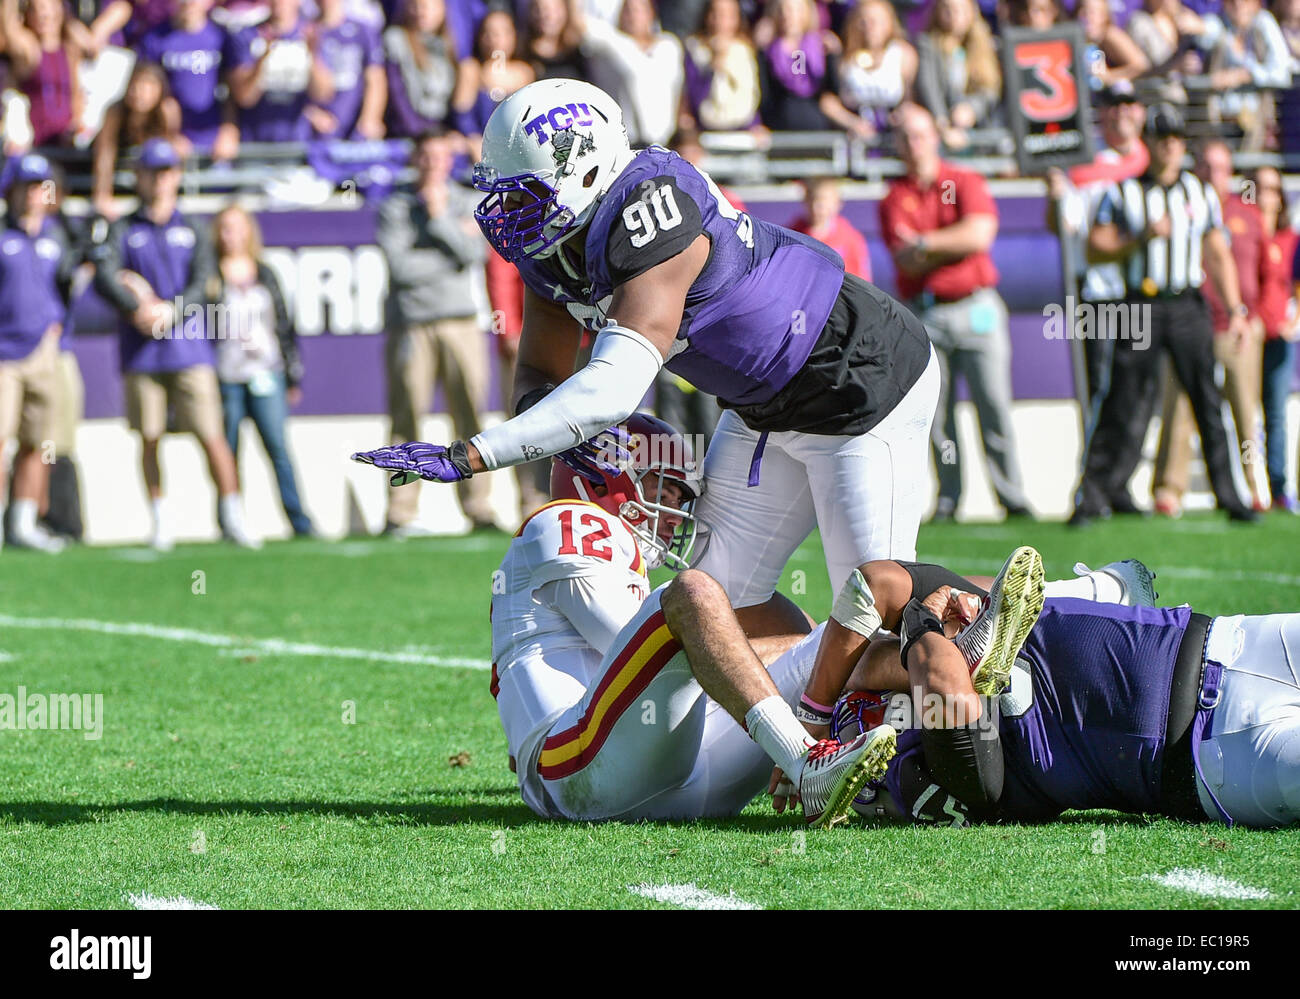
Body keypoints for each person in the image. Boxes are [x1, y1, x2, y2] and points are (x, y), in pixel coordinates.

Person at [354, 77, 939, 636]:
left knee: (874, 602)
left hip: (855, 375)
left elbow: (611, 389)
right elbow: (540, 369)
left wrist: (471, 455)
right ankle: (802, 722)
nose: (507, 214)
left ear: (583, 168)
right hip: (759, 404)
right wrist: (555, 425)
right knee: (711, 603)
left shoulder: (651, 204)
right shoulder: (555, 240)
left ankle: (1014, 629)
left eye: (523, 194)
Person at [489, 413, 899, 826]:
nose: (672, 513)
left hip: (666, 778)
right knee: (693, 592)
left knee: (838, 641)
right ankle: (806, 762)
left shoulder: (606, 557)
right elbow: (647, 643)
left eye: (677, 498)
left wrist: (805, 648)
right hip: (579, 774)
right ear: (600, 483)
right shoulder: (568, 519)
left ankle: (942, 712)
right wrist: (772, 649)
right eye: (661, 490)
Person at [828, 577, 1300, 829]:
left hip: (1233, 637)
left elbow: (880, 581)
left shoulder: (962, 645)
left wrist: (961, 604)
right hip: (1217, 753)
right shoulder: (919, 772)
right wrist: (922, 624)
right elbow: (945, 691)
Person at [1070, 105, 1258, 526]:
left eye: (1176, 138)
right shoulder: (1122, 192)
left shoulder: (1201, 192)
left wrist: (1234, 309)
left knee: (1207, 399)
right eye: (1162, 138)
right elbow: (1094, 247)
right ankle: (1091, 495)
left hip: (1189, 305)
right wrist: (1141, 237)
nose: (1170, 145)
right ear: (1150, 144)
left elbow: (1217, 252)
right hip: (1141, 303)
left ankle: (1230, 497)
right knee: (1122, 398)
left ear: (1183, 144)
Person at [91, 139, 256, 550]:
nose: (161, 180)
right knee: (149, 436)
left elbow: (202, 283)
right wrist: (138, 309)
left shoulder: (193, 229)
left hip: (189, 349)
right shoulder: (124, 229)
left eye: (167, 172)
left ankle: (232, 514)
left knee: (211, 434)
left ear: (176, 177)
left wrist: (172, 311)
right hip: (142, 352)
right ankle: (161, 519)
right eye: (153, 172)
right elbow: (106, 276)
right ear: (140, 177)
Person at [880, 102, 1030, 522]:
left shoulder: (964, 179)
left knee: (994, 404)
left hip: (977, 305)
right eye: (905, 136)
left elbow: (979, 235)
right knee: (937, 416)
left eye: (920, 133)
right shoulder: (896, 196)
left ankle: (1012, 496)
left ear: (935, 136)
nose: (914, 143)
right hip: (926, 313)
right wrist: (949, 243)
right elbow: (905, 261)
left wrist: (926, 243)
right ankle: (948, 498)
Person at [374, 126, 495, 535]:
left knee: (471, 417)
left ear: (450, 160)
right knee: (406, 417)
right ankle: (399, 512)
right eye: (425, 156)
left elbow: (474, 253)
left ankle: (478, 507)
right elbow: (400, 268)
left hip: (460, 322)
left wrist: (440, 216)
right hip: (411, 324)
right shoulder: (395, 206)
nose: (432, 164)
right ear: (415, 159)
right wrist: (447, 247)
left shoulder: (463, 201)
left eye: (440, 156)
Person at [1045, 81, 1150, 512]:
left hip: (1147, 292)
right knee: (1100, 389)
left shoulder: (1155, 157)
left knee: (1137, 392)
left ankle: (1118, 480)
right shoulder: (1082, 165)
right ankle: (1091, 485)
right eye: (1112, 104)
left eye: (1129, 103)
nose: (1121, 112)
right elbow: (1065, 227)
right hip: (1099, 294)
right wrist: (1054, 195)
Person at [1152, 139, 1268, 517]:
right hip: (1192, 323)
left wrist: (1252, 315)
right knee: (1181, 407)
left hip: (1236, 326)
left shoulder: (1246, 214)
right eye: (1206, 166)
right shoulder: (1181, 203)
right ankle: (1169, 490)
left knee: (1245, 411)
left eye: (1220, 167)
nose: (1213, 174)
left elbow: (1268, 270)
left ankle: (1254, 486)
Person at [209, 204, 315, 538]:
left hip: (267, 373)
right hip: (227, 375)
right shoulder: (210, 275)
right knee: (226, 451)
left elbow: (284, 324)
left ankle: (299, 520)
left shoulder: (265, 273)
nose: (232, 235)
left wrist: (292, 373)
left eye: (238, 227)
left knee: (278, 448)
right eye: (225, 228)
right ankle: (231, 523)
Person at [0, 154, 77, 553]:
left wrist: (58, 324)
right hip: (3, 354)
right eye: (27, 186)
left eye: (39, 186)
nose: (33, 194)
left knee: (38, 443)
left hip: (43, 352)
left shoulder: (56, 235)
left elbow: (66, 287)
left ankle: (24, 522)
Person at [136, 0, 247, 161]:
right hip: (169, 144)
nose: (188, 3)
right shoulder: (154, 39)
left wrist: (230, 130)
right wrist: (169, 135)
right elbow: (148, 96)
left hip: (215, 141)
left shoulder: (221, 38)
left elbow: (231, 89)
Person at [569, 0, 684, 149]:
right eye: (627, 10)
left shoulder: (669, 46)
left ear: (651, 13)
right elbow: (579, 23)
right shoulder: (610, 40)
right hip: (627, 144)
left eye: (638, 10)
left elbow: (678, 90)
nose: (632, 16)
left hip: (665, 144)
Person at [1255, 166, 1299, 511]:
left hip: (1278, 337)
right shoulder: (1243, 232)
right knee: (1238, 413)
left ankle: (1279, 486)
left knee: (1276, 413)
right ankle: (1249, 488)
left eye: (1273, 189)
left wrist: (1293, 319)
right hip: (1247, 336)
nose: (1267, 196)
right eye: (1260, 188)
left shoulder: (1290, 239)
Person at [229, 0, 332, 143]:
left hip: (296, 142)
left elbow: (323, 94)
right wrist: (262, 58)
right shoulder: (247, 36)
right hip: (254, 142)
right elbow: (245, 98)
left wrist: (312, 55)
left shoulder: (311, 35)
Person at [92, 61, 184, 220]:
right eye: (135, 85)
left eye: (147, 86)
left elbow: (168, 156)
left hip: (145, 175)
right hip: (116, 172)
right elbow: (105, 154)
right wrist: (102, 194)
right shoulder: (115, 112)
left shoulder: (167, 111)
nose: (139, 92)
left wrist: (168, 198)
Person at [915, 0, 1003, 151]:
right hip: (941, 128)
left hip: (978, 127)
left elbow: (991, 89)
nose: (953, 15)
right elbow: (929, 88)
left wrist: (972, 109)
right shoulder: (927, 45)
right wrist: (943, 124)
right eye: (947, 9)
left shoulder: (987, 45)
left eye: (960, 9)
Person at [826, 0, 917, 141]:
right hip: (853, 135)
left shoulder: (903, 54)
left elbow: (911, 98)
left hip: (891, 135)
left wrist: (901, 115)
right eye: (863, 21)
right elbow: (828, 101)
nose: (869, 27)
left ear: (889, 23)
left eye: (876, 21)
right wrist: (852, 122)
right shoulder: (842, 57)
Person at [2, 0, 84, 147]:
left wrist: (76, 124)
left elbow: (76, 93)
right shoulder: (30, 49)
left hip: (64, 140)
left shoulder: (69, 50)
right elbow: (9, 28)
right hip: (34, 143)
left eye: (47, 8)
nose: (42, 14)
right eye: (35, 9)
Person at [305, 0, 388, 139]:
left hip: (354, 123)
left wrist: (370, 118)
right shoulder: (305, 31)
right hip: (316, 129)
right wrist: (310, 113)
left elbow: (375, 78)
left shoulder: (362, 30)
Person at [680, 0, 763, 134]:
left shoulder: (744, 50)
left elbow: (750, 92)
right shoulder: (695, 50)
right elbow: (694, 96)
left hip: (739, 129)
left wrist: (755, 124)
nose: (720, 21)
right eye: (715, 14)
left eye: (727, 15)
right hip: (706, 130)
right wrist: (712, 68)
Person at [382, 0, 460, 138]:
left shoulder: (447, 46)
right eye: (415, 5)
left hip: (439, 131)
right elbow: (396, 94)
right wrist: (426, 135)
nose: (421, 12)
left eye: (429, 6)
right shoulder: (395, 40)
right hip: (409, 132)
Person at [790, 176, 871, 282]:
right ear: (805, 201)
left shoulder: (851, 238)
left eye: (823, 201)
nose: (817, 207)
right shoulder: (791, 237)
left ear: (837, 203)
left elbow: (862, 282)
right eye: (812, 200)